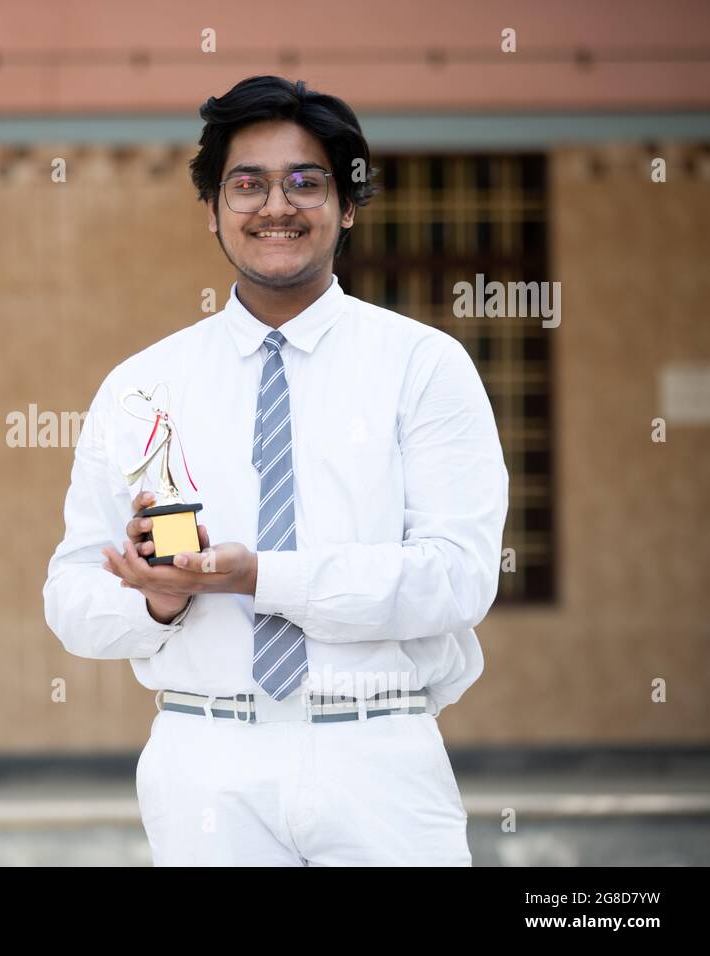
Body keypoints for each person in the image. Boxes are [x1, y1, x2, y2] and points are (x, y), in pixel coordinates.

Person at [42, 75, 509, 866]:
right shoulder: (142, 387)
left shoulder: (424, 367)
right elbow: (72, 596)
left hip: (380, 757)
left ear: (349, 205)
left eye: (307, 182)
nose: (275, 207)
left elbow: (457, 579)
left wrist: (263, 576)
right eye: (247, 185)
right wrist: (159, 605)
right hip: (205, 764)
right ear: (215, 209)